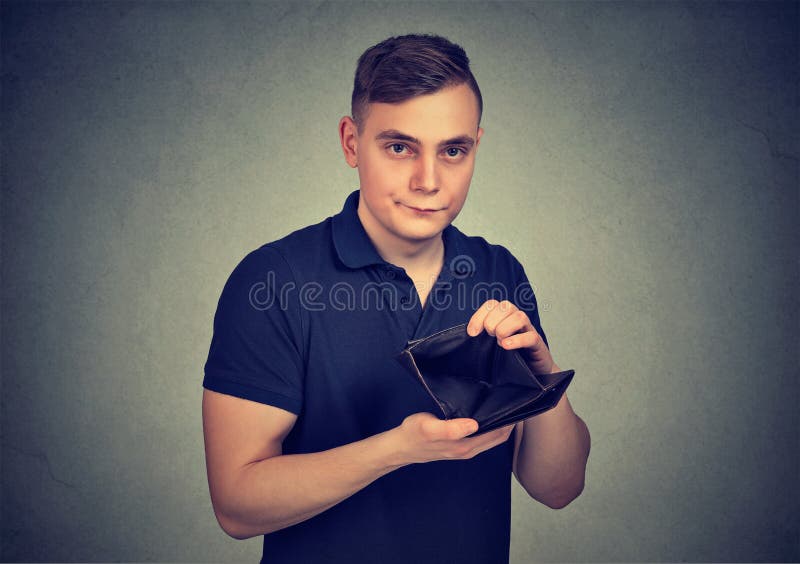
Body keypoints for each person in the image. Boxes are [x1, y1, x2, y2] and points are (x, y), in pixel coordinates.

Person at [202, 33, 590, 564]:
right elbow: (236, 507)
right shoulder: (272, 280)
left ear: (476, 146)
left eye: (453, 150)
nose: (428, 181)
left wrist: (544, 381)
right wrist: (399, 450)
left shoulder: (499, 271)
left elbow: (559, 488)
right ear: (351, 142)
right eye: (400, 147)